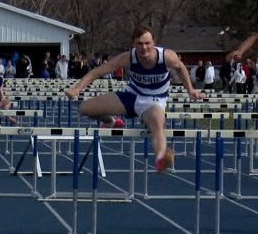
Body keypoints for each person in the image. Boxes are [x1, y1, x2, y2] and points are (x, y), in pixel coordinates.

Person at [64, 25, 203, 172]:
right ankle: (111, 121)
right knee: (85, 108)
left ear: (153, 42)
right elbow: (98, 71)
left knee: (157, 123)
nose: (144, 47)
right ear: (133, 44)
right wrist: (77, 89)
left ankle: (161, 158)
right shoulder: (127, 58)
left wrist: (190, 90)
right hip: (131, 96)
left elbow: (181, 68)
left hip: (154, 101)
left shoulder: (166, 56)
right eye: (140, 44)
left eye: (147, 43)